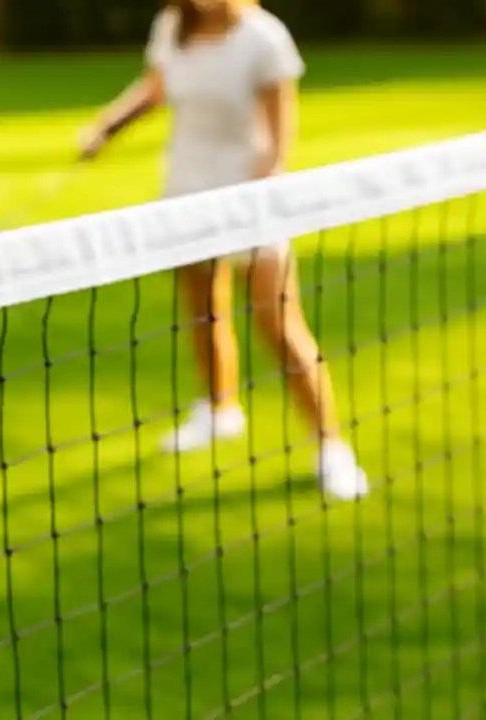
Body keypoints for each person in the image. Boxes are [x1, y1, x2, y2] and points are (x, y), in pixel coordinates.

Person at [78, 0, 369, 500]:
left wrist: (261, 200)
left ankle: (331, 448)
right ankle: (219, 411)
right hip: (186, 195)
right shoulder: (173, 27)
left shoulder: (265, 38)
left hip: (251, 199)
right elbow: (156, 87)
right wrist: (109, 126)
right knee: (203, 314)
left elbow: (279, 141)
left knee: (279, 324)